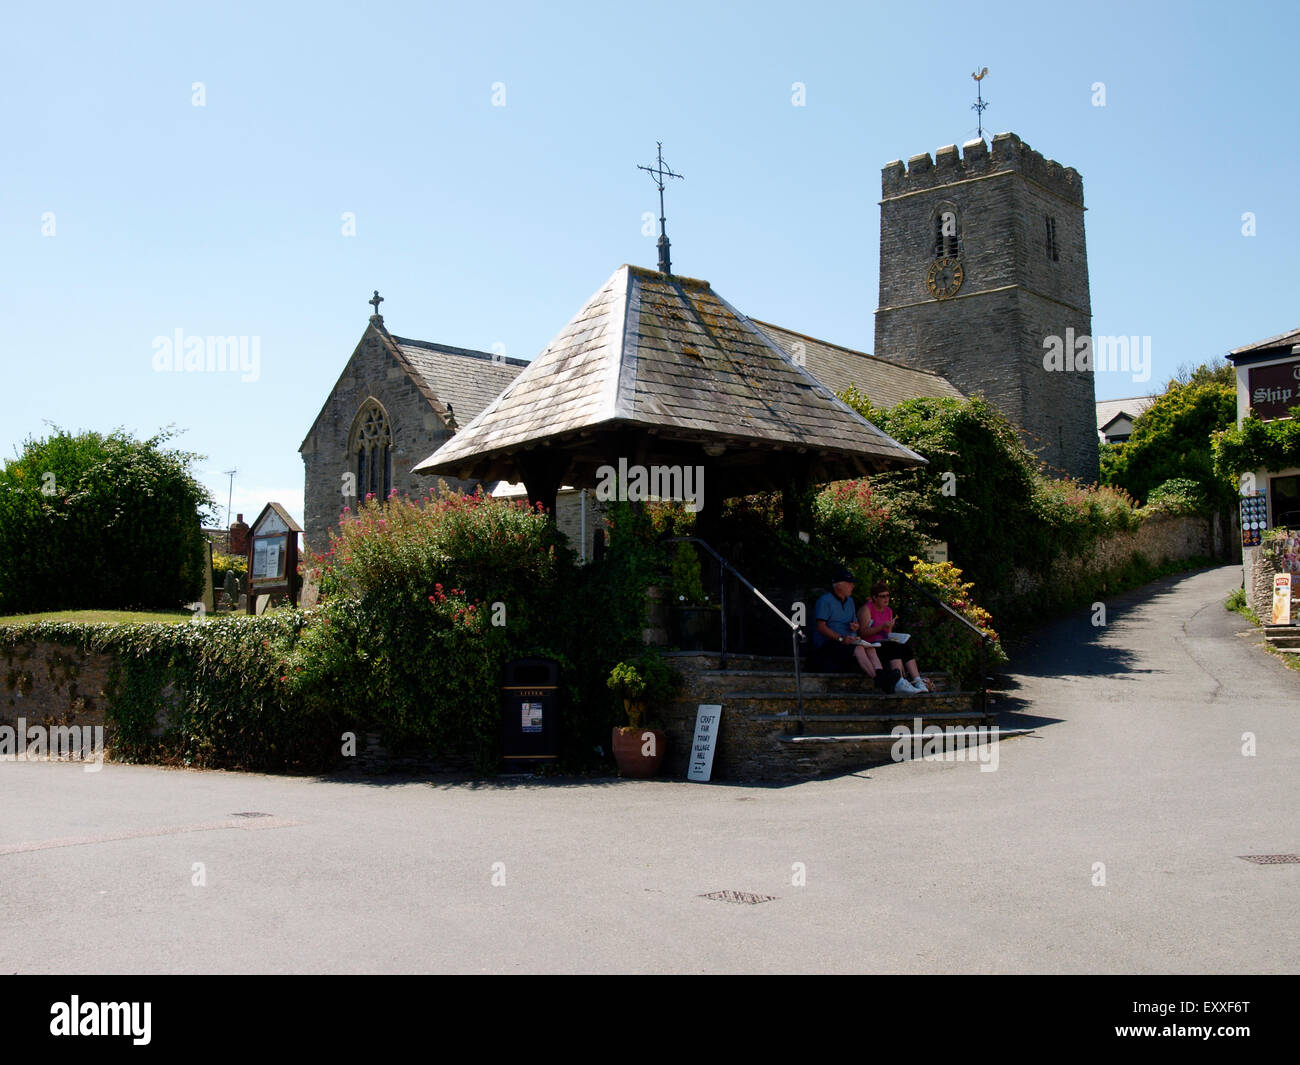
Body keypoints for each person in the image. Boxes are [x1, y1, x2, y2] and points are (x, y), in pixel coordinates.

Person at [809, 567, 913, 694]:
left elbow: (855, 623)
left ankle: (882, 675)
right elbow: (821, 627)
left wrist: (855, 626)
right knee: (858, 648)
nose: (852, 586)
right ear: (839, 585)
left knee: (870, 647)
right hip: (830, 643)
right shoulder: (825, 601)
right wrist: (840, 638)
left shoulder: (850, 601)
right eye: (849, 583)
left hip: (849, 640)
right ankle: (879, 680)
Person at [857, 581, 931, 692]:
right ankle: (900, 681)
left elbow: (888, 634)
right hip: (872, 645)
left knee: (904, 647)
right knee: (893, 646)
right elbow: (862, 632)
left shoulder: (888, 611)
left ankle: (917, 680)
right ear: (874, 597)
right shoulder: (867, 609)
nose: (886, 599)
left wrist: (890, 631)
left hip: (884, 642)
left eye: (888, 596)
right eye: (882, 596)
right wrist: (881, 627)